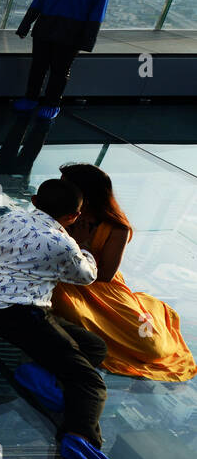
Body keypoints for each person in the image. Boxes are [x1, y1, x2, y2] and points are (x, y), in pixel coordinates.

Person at [0, 178, 135, 459]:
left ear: (36, 200)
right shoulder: (62, 243)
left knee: (93, 347)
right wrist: (84, 249)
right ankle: (79, 439)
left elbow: (12, 251)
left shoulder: (8, 218)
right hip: (23, 315)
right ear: (74, 216)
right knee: (89, 381)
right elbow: (87, 276)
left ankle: (35, 375)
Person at [52, 163, 195, 382]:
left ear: (86, 192)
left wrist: (77, 247)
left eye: (66, 186)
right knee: (74, 315)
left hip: (100, 285)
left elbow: (106, 275)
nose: (60, 191)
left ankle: (151, 312)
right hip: (61, 278)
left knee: (151, 346)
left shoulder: (116, 227)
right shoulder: (58, 210)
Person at [14, 0, 112, 120]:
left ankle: (52, 104)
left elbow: (97, 11)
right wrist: (25, 25)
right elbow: (39, 0)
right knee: (38, 66)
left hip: (72, 33)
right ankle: (30, 98)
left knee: (60, 70)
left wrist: (88, 40)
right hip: (45, 27)